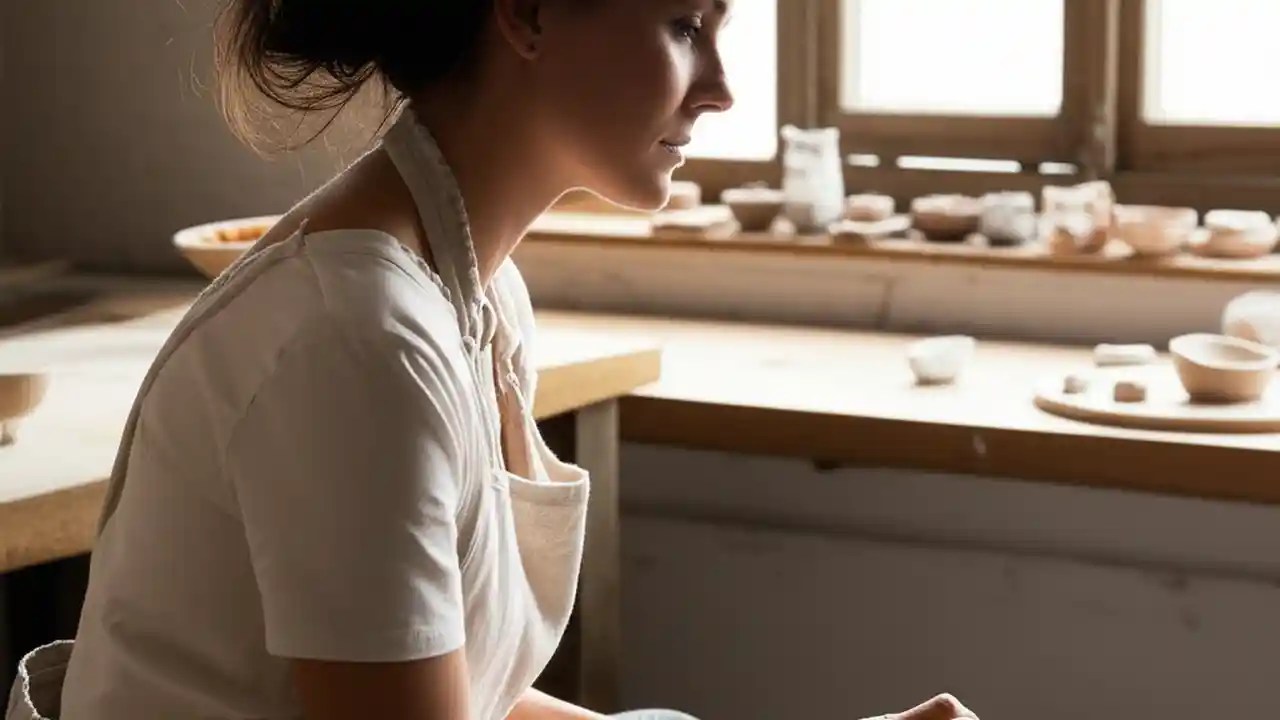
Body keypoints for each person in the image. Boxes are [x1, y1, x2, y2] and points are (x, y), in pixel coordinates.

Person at [5, 1, 979, 718]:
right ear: (525, 14)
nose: (721, 88)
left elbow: (465, 695)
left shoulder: (476, 293)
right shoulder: (358, 339)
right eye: (686, 24)